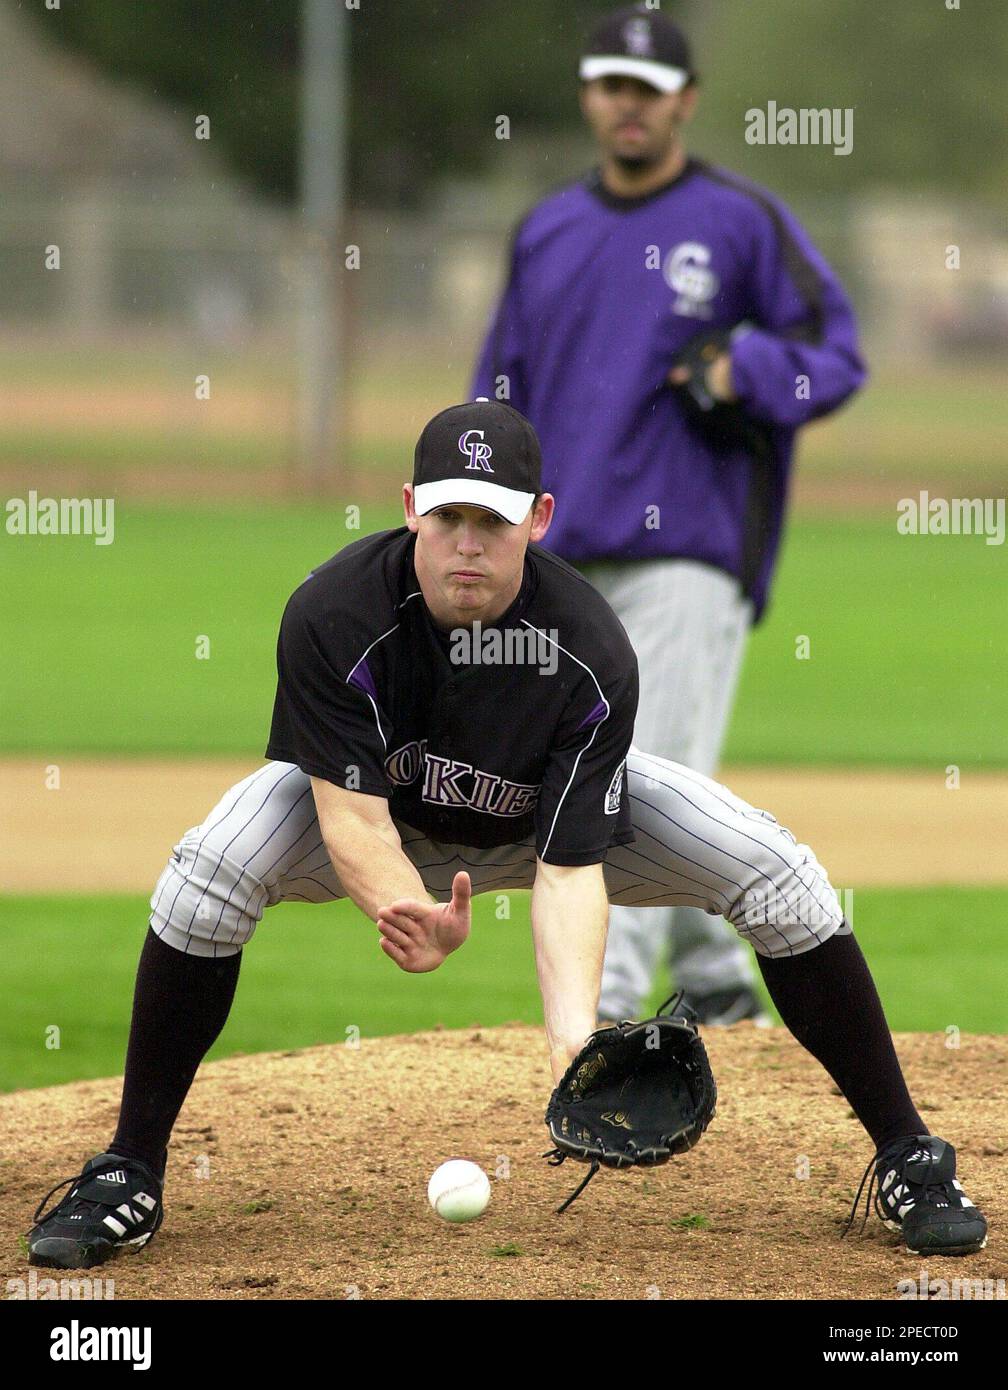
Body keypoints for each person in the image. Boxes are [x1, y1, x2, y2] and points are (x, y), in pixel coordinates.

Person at [27, 401, 985, 1270]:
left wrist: (576, 1046)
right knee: (209, 871)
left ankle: (909, 1154)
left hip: (536, 828)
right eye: (448, 518)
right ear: (409, 509)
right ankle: (131, 1171)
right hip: (384, 829)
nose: (467, 546)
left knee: (780, 874)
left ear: (541, 518)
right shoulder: (334, 613)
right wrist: (410, 910)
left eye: (493, 519)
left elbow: (570, 869)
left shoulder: (590, 649)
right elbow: (351, 819)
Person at [471, 6, 867, 1027]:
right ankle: (721, 980)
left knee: (628, 774)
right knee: (644, 772)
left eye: (647, 88)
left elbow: (838, 356)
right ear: (588, 96)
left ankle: (594, 1014)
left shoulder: (741, 221)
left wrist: (752, 367)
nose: (627, 103)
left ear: (684, 101)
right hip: (559, 553)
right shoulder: (549, 227)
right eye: (610, 84)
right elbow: (498, 394)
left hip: (687, 549)